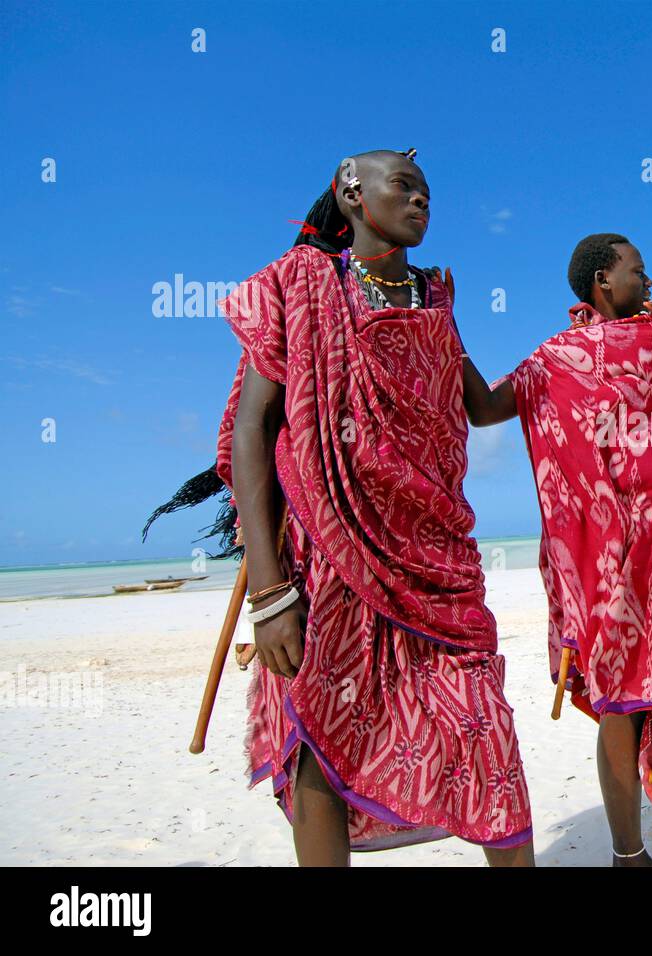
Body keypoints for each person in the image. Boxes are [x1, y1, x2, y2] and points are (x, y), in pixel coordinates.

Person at [147, 149, 534, 866]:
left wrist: (575, 356)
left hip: (439, 563)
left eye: (427, 193)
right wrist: (268, 592)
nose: (422, 202)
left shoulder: (433, 302)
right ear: (352, 191)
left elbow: (480, 406)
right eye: (406, 187)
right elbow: (250, 434)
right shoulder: (300, 286)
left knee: (486, 737)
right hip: (328, 562)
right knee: (323, 740)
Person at [460, 234, 652, 866]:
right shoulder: (556, 361)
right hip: (600, 574)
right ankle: (629, 858)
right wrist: (445, 326)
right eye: (638, 270)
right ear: (603, 281)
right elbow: (486, 407)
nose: (650, 280)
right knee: (621, 710)